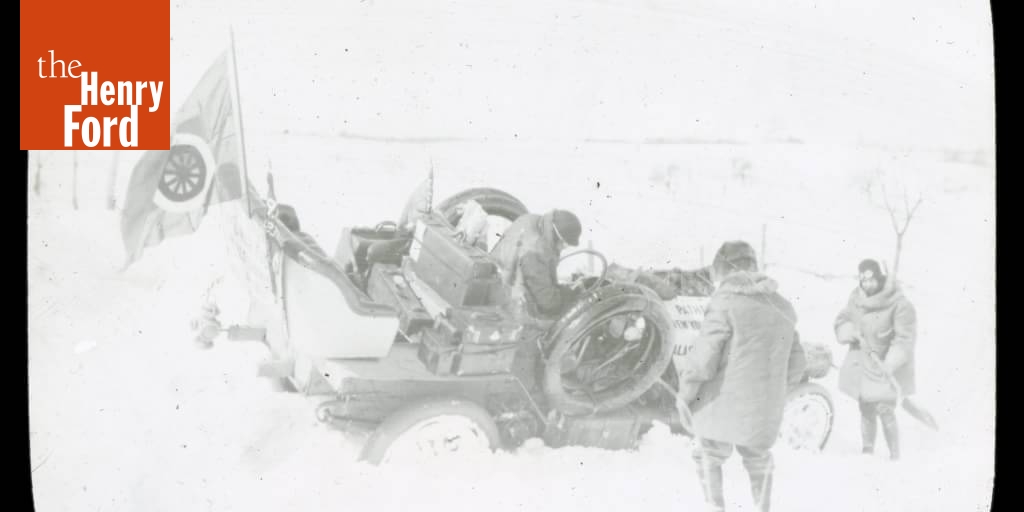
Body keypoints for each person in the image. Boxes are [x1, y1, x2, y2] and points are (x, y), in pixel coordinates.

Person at [676, 241, 806, 512]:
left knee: (708, 456)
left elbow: (703, 360)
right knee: (758, 460)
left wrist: (685, 395)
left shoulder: (724, 303)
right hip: (763, 408)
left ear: (721, 269)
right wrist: (774, 393)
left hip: (721, 403)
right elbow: (796, 365)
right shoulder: (782, 306)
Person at [834, 259, 917, 461]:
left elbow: (904, 339)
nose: (866, 285)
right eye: (863, 280)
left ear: (880, 278)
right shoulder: (856, 298)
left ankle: (895, 456)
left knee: (885, 409)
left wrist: (890, 363)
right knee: (866, 407)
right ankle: (867, 452)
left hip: (886, 365)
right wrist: (850, 331)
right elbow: (843, 318)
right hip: (863, 362)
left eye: (871, 280)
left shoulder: (899, 303)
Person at [489, 209, 583, 319]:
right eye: (564, 244)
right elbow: (548, 302)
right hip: (507, 301)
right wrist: (570, 295)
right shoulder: (536, 251)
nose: (564, 248)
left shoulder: (533, 220)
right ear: (557, 236)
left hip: (494, 278)